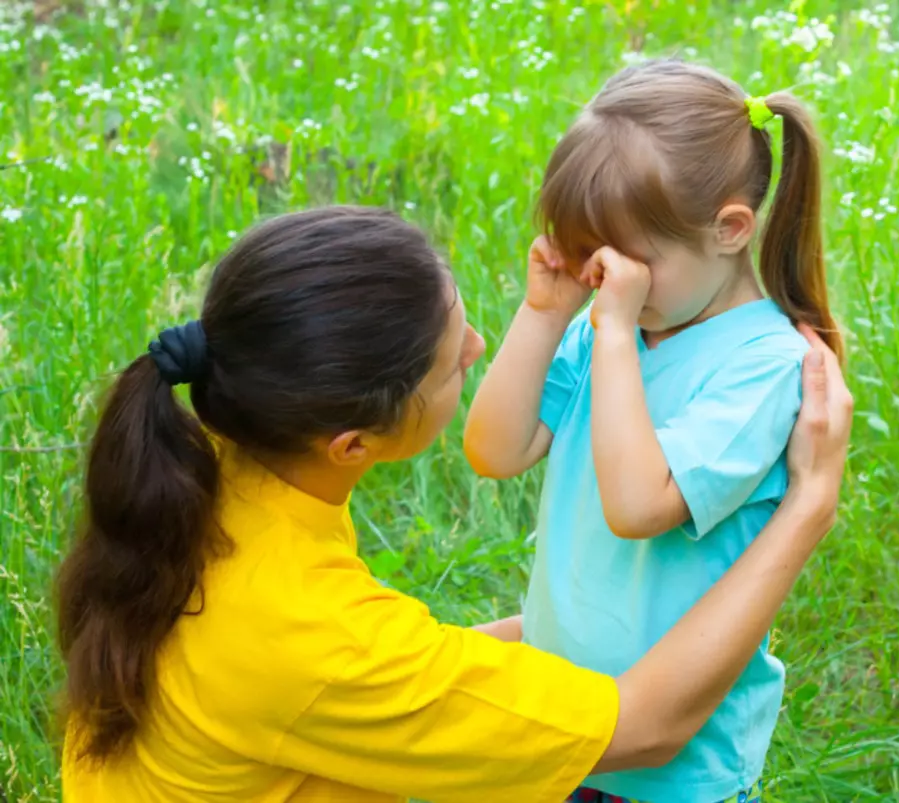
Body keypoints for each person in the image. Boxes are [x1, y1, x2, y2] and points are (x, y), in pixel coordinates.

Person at [56, 205, 852, 803]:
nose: (477, 349)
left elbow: (379, 673)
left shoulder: (215, 464)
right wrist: (807, 506)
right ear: (352, 444)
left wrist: (568, 624)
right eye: (450, 363)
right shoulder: (315, 636)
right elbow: (647, 726)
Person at [463, 59, 839, 803]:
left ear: (730, 230)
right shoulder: (620, 329)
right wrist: (546, 314)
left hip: (675, 777)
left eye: (630, 264)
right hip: (568, 724)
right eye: (594, 263)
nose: (609, 285)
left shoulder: (765, 366)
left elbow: (639, 506)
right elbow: (495, 450)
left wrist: (607, 330)